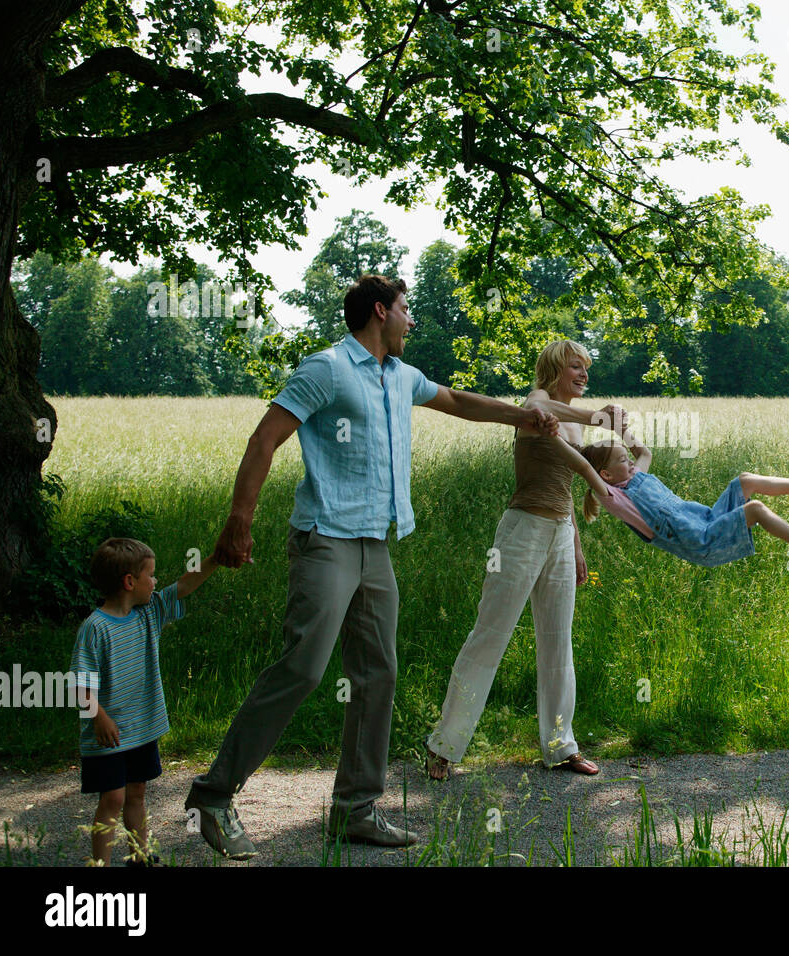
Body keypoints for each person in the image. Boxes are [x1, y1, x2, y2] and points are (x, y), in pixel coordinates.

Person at [184, 274, 557, 860]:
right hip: (325, 539)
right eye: (407, 310)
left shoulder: (399, 376)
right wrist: (238, 521)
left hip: (375, 546)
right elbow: (265, 440)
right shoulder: (327, 369)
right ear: (380, 312)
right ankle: (213, 794)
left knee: (377, 673)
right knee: (304, 668)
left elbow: (456, 401)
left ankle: (355, 809)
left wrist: (523, 418)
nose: (413, 322)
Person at [425, 340, 629, 781]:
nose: (584, 374)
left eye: (586, 368)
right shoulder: (536, 403)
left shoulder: (570, 425)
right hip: (520, 533)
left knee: (558, 643)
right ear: (554, 368)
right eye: (576, 367)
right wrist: (602, 417)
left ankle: (560, 746)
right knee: (490, 636)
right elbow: (550, 416)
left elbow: (566, 490)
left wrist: (575, 546)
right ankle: (444, 746)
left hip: (557, 533)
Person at [72, 537, 219, 866]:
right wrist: (99, 717)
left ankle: (140, 856)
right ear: (129, 582)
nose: (156, 582)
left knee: (136, 793)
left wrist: (215, 558)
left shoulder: (149, 612)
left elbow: (184, 585)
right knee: (113, 797)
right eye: (151, 576)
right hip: (108, 733)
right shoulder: (95, 628)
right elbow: (80, 684)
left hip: (141, 730)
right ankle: (100, 864)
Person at [560, 432, 789, 567]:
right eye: (623, 460)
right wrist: (556, 440)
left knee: (744, 480)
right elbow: (585, 468)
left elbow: (644, 453)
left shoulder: (636, 476)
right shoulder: (616, 498)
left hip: (707, 520)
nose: (631, 462)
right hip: (701, 541)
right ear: (606, 475)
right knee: (754, 509)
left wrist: (621, 429)